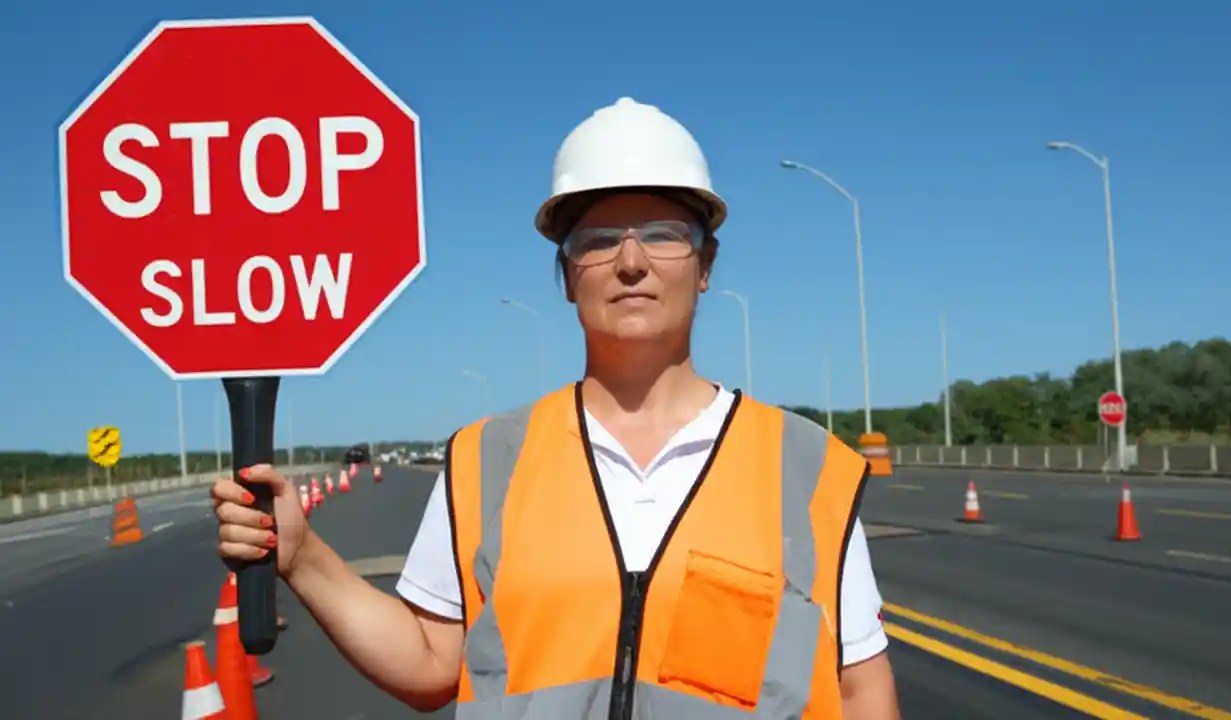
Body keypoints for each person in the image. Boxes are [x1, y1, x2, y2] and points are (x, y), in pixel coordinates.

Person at [211, 96, 901, 719]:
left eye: (663, 233)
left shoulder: (806, 467)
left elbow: (860, 688)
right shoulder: (487, 460)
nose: (631, 262)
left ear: (706, 264)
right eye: (597, 242)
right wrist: (302, 558)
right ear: (567, 276)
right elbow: (428, 663)